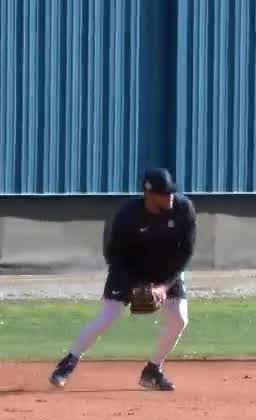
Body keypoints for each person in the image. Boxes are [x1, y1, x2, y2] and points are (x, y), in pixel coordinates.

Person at [49, 168, 196, 392]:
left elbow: (186, 252)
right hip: (129, 269)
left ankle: (152, 371)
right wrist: (137, 284)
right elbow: (114, 255)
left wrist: (164, 286)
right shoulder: (128, 214)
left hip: (166, 271)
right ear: (149, 195)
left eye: (171, 192)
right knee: (108, 317)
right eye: (163, 193)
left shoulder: (183, 209)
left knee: (179, 320)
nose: (170, 197)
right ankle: (68, 363)